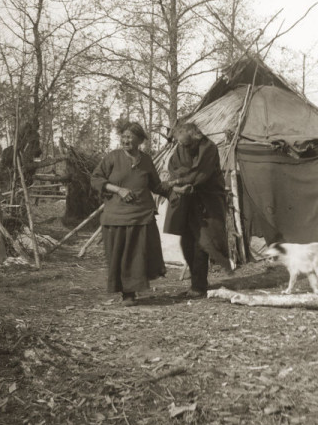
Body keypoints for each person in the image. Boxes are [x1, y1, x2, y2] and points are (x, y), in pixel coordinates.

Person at [91, 122, 183, 306]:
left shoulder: (146, 160)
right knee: (120, 255)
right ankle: (126, 293)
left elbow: (156, 186)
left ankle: (131, 292)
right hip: (117, 216)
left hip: (141, 215)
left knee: (137, 255)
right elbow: (96, 179)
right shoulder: (112, 158)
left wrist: (174, 190)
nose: (125, 141)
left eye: (130, 138)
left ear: (140, 141)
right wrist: (118, 190)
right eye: (123, 137)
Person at [164, 121, 232, 298]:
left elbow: (201, 172)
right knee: (186, 241)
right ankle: (198, 282)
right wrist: (182, 178)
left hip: (207, 201)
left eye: (187, 143)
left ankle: (199, 286)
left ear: (196, 136)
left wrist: (180, 180)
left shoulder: (208, 148)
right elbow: (173, 166)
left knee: (203, 242)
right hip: (187, 200)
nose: (184, 146)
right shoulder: (181, 146)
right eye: (182, 143)